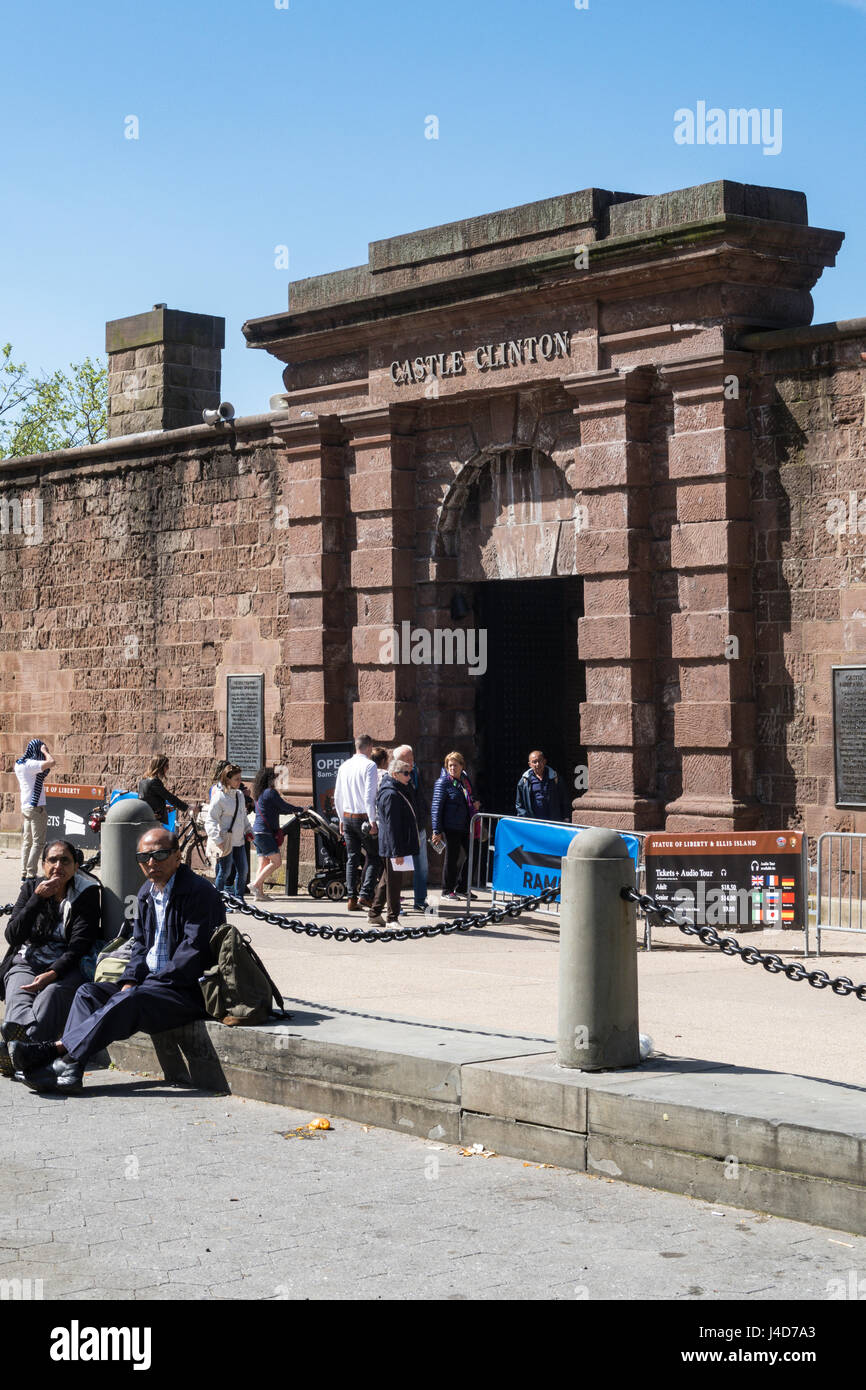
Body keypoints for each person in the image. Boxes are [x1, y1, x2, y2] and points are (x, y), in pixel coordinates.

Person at [9, 825, 225, 1093]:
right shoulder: (147, 891)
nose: (151, 863)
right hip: (149, 987)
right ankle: (71, 1071)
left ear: (178, 856)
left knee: (132, 998)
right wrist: (130, 980)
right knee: (88, 993)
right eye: (144, 858)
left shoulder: (199, 893)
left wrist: (144, 986)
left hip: (185, 991)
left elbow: (192, 954)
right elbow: (140, 946)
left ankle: (56, 1052)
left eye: (160, 855)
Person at [0, 841, 101, 1077]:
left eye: (65, 860)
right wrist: (36, 900)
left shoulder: (86, 893)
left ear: (76, 865)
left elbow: (79, 945)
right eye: (52, 860)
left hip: (65, 967)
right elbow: (13, 935)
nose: (58, 866)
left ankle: (18, 1053)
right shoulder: (31, 888)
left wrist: (52, 974)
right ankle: (25, 1054)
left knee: (50, 995)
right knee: (18, 993)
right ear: (43, 865)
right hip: (27, 961)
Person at [368, 758, 420, 926]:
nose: (409, 776)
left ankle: (374, 913)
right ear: (395, 774)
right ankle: (392, 918)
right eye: (406, 773)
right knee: (394, 883)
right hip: (394, 846)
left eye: (410, 772)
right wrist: (397, 852)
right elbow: (392, 826)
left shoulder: (399, 789)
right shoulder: (391, 794)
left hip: (396, 843)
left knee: (386, 879)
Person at [333, 736, 379, 911]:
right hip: (363, 817)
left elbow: (337, 795)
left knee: (352, 858)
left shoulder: (344, 766)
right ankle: (365, 895)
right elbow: (369, 797)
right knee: (374, 856)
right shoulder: (370, 765)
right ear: (369, 747)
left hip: (347, 816)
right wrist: (372, 820)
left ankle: (351, 898)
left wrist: (341, 818)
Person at [430, 751, 481, 900]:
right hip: (451, 826)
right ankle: (447, 890)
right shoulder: (443, 782)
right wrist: (436, 830)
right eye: (450, 765)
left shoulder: (465, 780)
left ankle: (463, 887)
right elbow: (436, 807)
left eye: (455, 765)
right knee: (452, 857)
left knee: (474, 853)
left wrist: (475, 802)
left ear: (461, 766)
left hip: (466, 824)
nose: (452, 768)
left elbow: (469, 798)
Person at [250, 767, 303, 901]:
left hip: (257, 832)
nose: (277, 780)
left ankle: (259, 894)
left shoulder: (259, 794)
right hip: (265, 833)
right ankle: (255, 885)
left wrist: (292, 811)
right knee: (276, 861)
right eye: (275, 778)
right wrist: (301, 809)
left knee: (263, 862)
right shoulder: (270, 792)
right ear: (270, 779)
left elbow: (277, 810)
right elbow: (284, 806)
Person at [393, 744, 429, 912]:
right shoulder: (393, 778)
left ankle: (420, 900)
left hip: (418, 826)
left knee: (422, 866)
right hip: (403, 829)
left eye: (412, 758)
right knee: (398, 868)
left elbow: (420, 796)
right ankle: (395, 903)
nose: (411, 762)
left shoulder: (416, 772)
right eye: (407, 759)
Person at [204, 763, 248, 899]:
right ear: (227, 779)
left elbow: (243, 816)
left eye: (240, 778)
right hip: (225, 841)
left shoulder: (240, 795)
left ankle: (239, 899)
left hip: (239, 841)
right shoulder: (220, 797)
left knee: (243, 871)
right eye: (236, 779)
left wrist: (249, 830)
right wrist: (218, 840)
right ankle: (219, 899)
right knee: (225, 872)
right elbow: (210, 820)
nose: (240, 781)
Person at [14, 738, 55, 881]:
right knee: (38, 842)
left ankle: (24, 872)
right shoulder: (31, 765)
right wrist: (45, 751)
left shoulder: (19, 764)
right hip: (36, 806)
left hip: (26, 806)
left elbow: (42, 770)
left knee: (27, 842)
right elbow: (51, 762)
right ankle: (31, 874)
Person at [515, 750, 571, 822]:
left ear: (544, 761)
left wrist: (566, 816)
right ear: (530, 764)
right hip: (533, 822)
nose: (538, 764)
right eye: (534, 762)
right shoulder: (524, 781)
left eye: (540, 761)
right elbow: (519, 804)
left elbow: (564, 798)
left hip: (553, 820)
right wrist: (524, 819)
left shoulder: (555, 778)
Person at [137, 755, 189, 826]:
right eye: (166, 766)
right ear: (160, 767)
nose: (168, 768)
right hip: (153, 820)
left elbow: (146, 800)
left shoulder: (143, 781)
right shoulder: (154, 782)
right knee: (165, 836)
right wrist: (187, 808)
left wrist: (163, 806)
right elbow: (169, 797)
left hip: (145, 818)